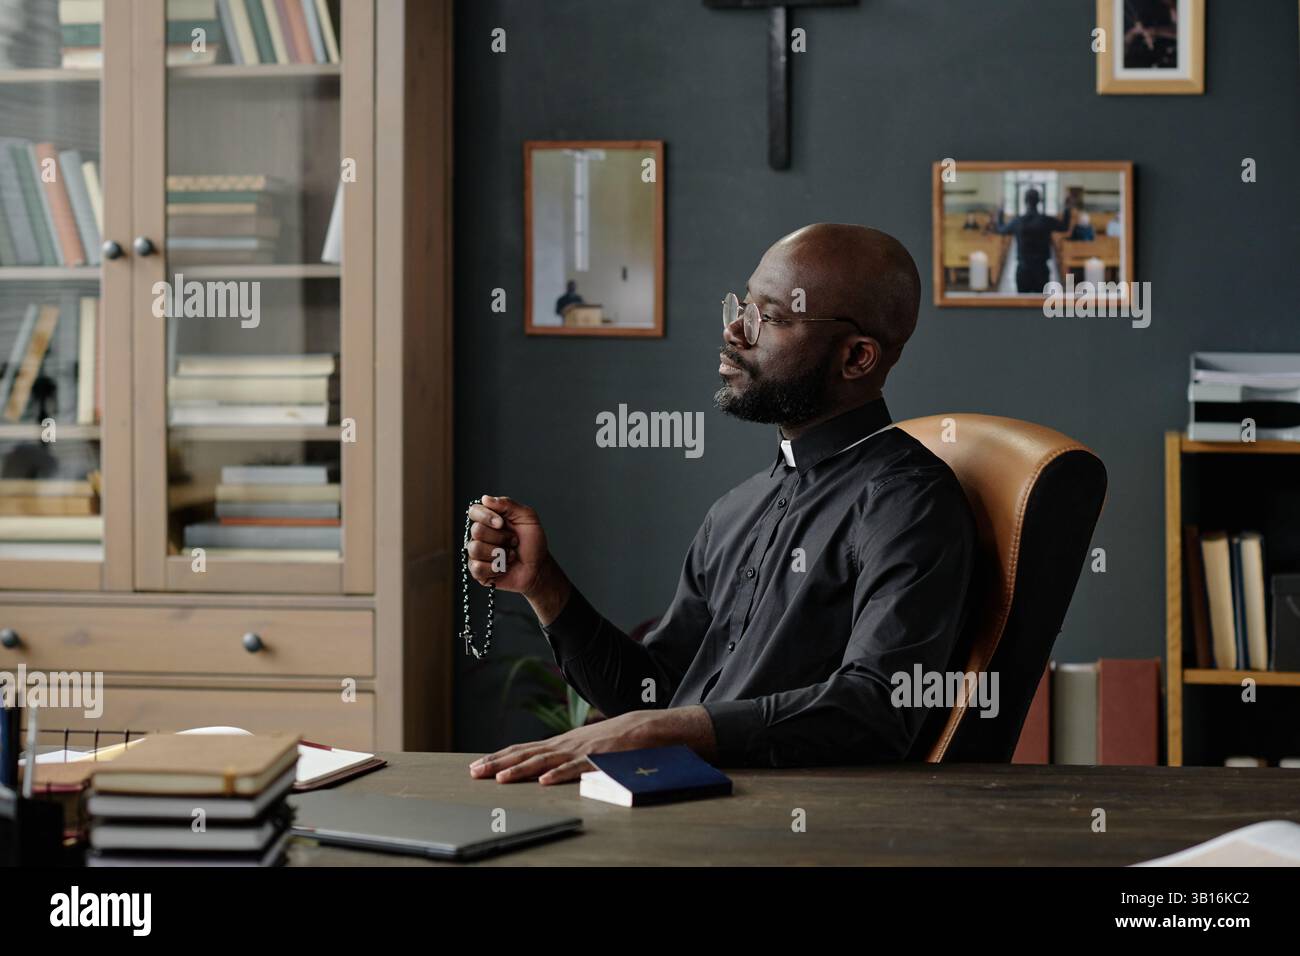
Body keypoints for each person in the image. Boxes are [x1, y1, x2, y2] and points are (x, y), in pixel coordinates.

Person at [466, 224, 975, 784]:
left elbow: (878, 709)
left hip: (793, 818)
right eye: (742, 306)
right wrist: (543, 584)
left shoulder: (911, 503)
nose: (735, 330)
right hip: (684, 798)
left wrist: (664, 731)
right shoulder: (737, 509)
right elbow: (652, 693)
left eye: (769, 317)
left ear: (856, 357)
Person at [993, 188, 1074, 294]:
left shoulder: (1018, 221)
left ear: (1025, 201)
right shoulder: (1046, 220)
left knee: (1023, 302)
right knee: (1041, 302)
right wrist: (1067, 207)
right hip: (1041, 269)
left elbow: (1000, 229)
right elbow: (1064, 227)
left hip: (1023, 269)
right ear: (1039, 201)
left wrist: (1000, 209)